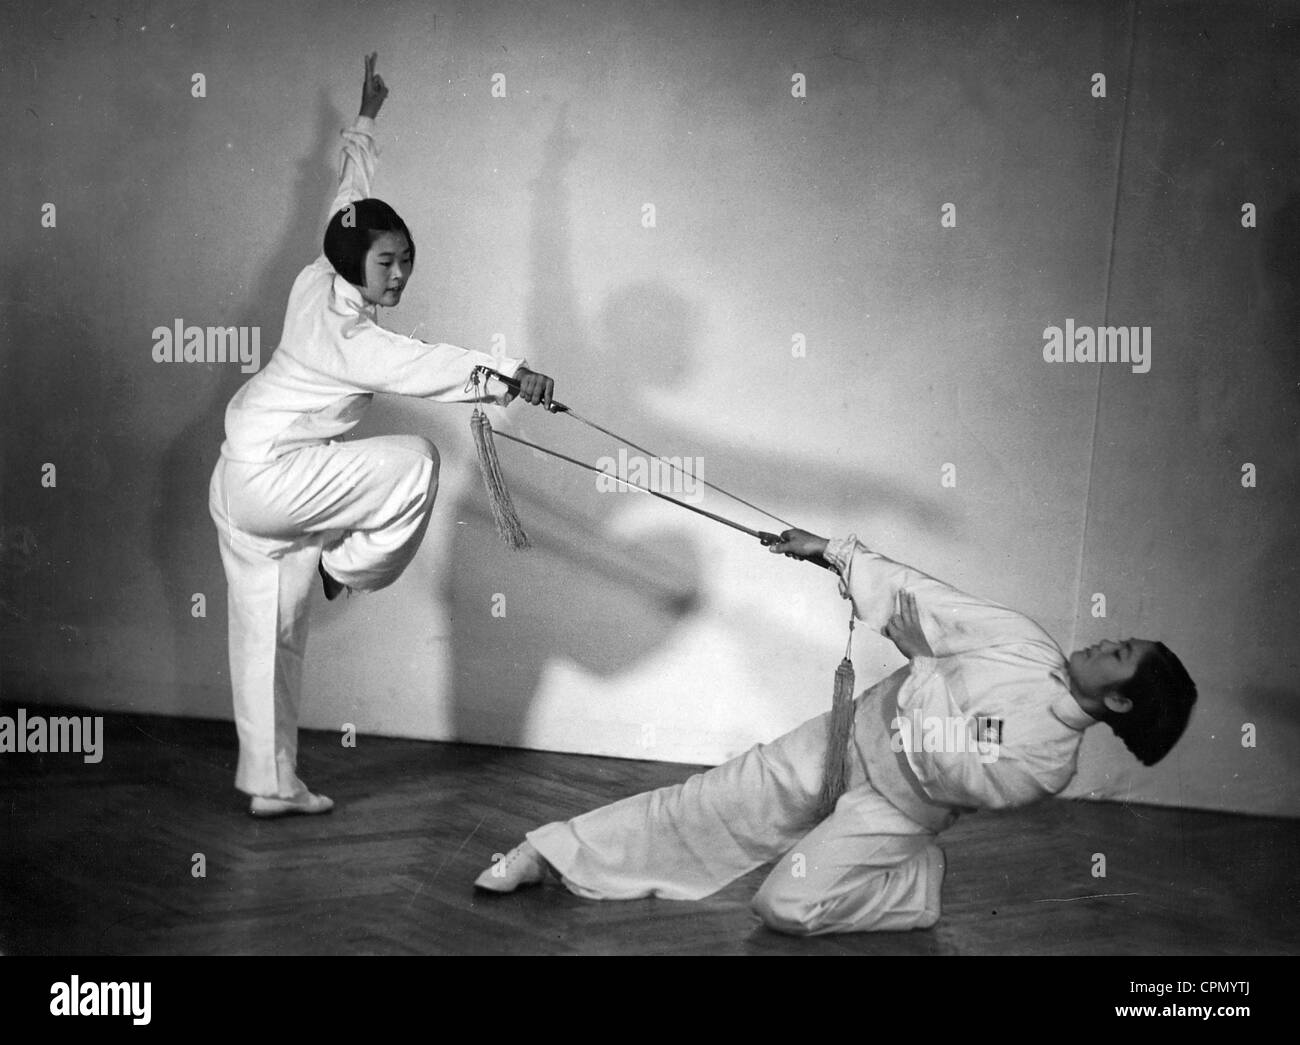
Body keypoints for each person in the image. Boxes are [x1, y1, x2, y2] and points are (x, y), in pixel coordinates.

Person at [474, 527, 1197, 935]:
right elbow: (932, 602)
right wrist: (838, 554)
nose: (1105, 642)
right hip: (847, 734)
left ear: (1123, 704)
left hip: (895, 810)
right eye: (1119, 637)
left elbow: (951, 764)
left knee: (785, 905)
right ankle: (550, 851)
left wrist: (924, 677)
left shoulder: (1049, 762)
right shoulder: (1028, 643)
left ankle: (915, 887)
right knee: (705, 799)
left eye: (1120, 654)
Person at [208, 54, 556, 818]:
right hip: (273, 478)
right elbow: (424, 364)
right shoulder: (349, 336)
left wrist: (366, 120)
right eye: (388, 263)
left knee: (270, 636)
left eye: (406, 262)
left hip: (243, 482)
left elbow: (348, 196)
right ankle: (347, 564)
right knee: (417, 463)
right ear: (357, 263)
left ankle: (270, 785)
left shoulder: (317, 272)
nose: (399, 277)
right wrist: (509, 375)